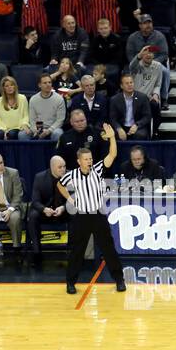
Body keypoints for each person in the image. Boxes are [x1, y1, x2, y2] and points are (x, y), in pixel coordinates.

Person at [57, 126, 126, 295]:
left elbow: (112, 155)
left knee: (108, 249)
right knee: (77, 251)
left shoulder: (97, 169)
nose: (89, 161)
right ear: (79, 160)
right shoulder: (71, 174)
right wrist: (70, 199)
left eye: (90, 158)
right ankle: (70, 282)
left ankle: (119, 280)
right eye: (86, 159)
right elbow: (60, 184)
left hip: (98, 215)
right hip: (81, 217)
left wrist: (112, 138)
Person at [26, 155, 68, 265]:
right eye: (60, 167)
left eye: (64, 166)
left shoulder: (70, 176)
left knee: (76, 214)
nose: (63, 169)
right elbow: (35, 201)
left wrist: (63, 208)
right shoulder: (40, 178)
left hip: (63, 211)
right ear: (52, 167)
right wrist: (44, 209)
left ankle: (74, 252)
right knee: (33, 215)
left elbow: (76, 198)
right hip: (46, 212)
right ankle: (36, 252)